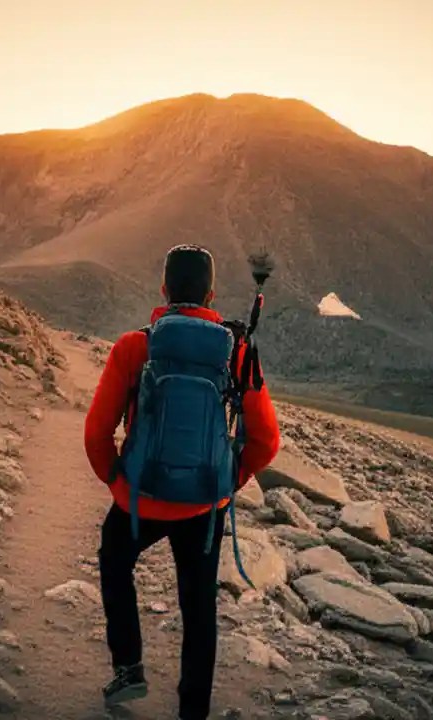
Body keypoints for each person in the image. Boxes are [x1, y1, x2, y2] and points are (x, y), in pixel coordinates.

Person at [84, 244, 281, 720]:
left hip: (140, 498)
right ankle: (193, 711)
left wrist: (119, 482)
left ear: (164, 289)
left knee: (115, 559)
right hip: (203, 507)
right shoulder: (234, 350)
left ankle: (129, 666)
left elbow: (96, 432)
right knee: (198, 606)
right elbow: (267, 440)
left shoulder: (136, 345)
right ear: (211, 295)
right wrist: (229, 480)